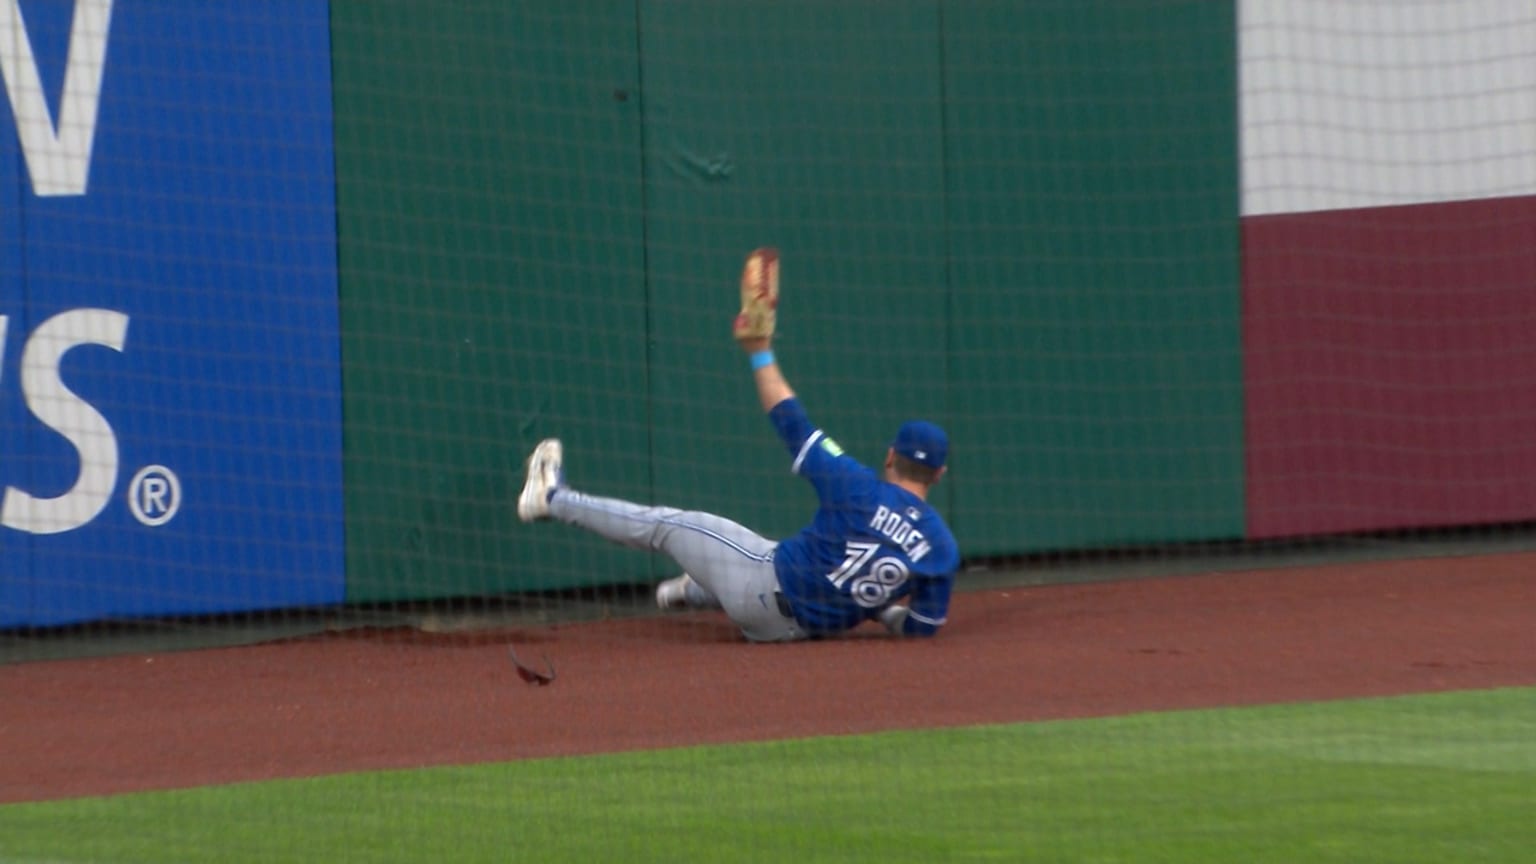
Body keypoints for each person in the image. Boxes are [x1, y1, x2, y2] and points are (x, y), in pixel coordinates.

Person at [516, 250, 959, 642]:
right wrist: (882, 610)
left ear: (889, 456)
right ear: (939, 474)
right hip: (796, 631)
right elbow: (922, 627)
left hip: (760, 588)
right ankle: (689, 591)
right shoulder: (941, 547)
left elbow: (792, 423)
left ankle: (552, 499)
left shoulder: (857, 486)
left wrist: (759, 350)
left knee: (667, 525)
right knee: (772, 552)